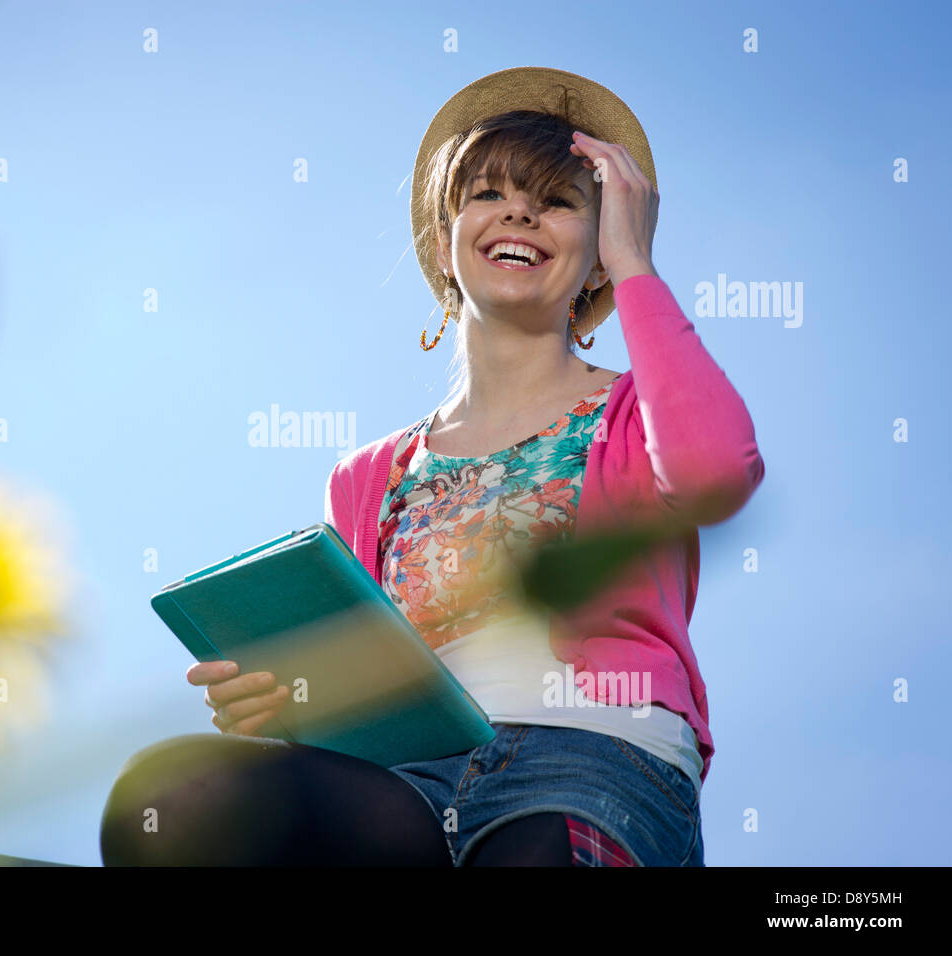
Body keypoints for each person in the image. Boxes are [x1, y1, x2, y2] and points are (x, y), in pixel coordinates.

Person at [99, 67, 765, 866]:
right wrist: (292, 706)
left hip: (590, 765)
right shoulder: (367, 478)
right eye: (489, 193)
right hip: (404, 785)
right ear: (446, 243)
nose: (520, 210)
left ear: (596, 260)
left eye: (558, 200)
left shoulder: (637, 415)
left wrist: (637, 266)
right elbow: (366, 684)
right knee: (169, 799)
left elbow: (717, 473)